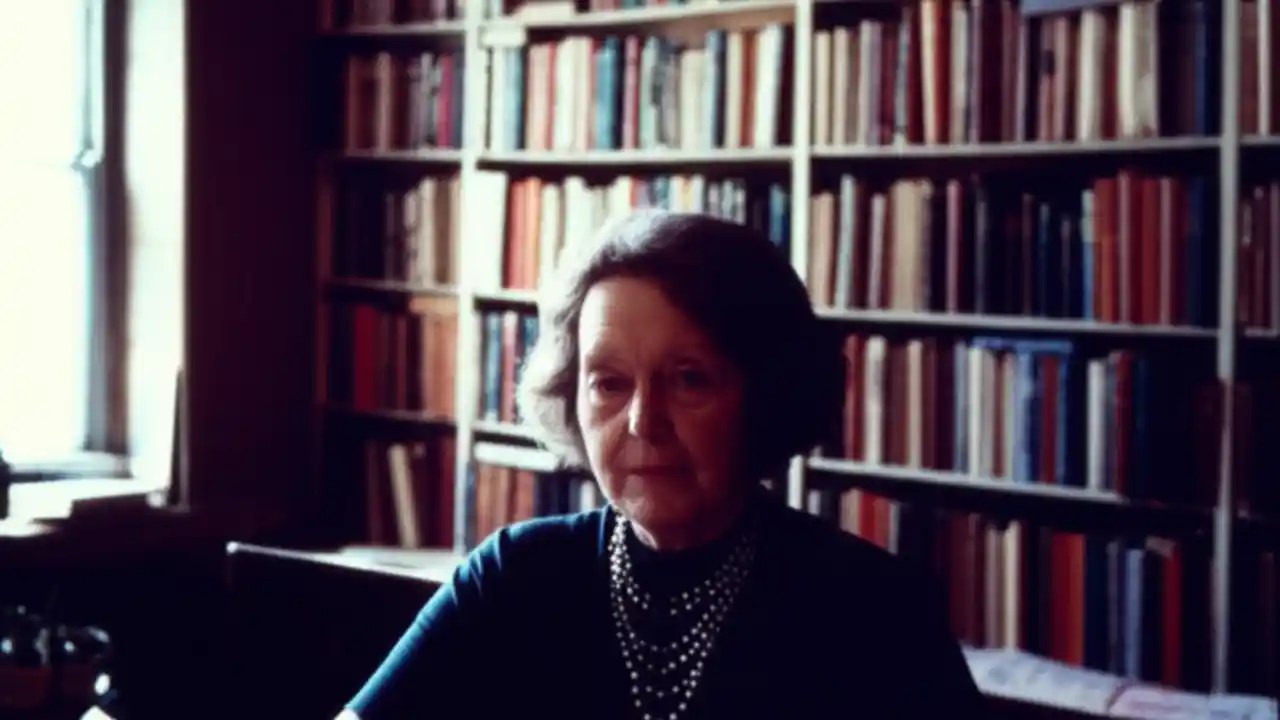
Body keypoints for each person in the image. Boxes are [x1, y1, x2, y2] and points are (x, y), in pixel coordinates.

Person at [338, 211, 984, 719]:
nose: (645, 421)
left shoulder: (874, 611)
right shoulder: (512, 577)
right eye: (610, 383)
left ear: (765, 394)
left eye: (689, 379)